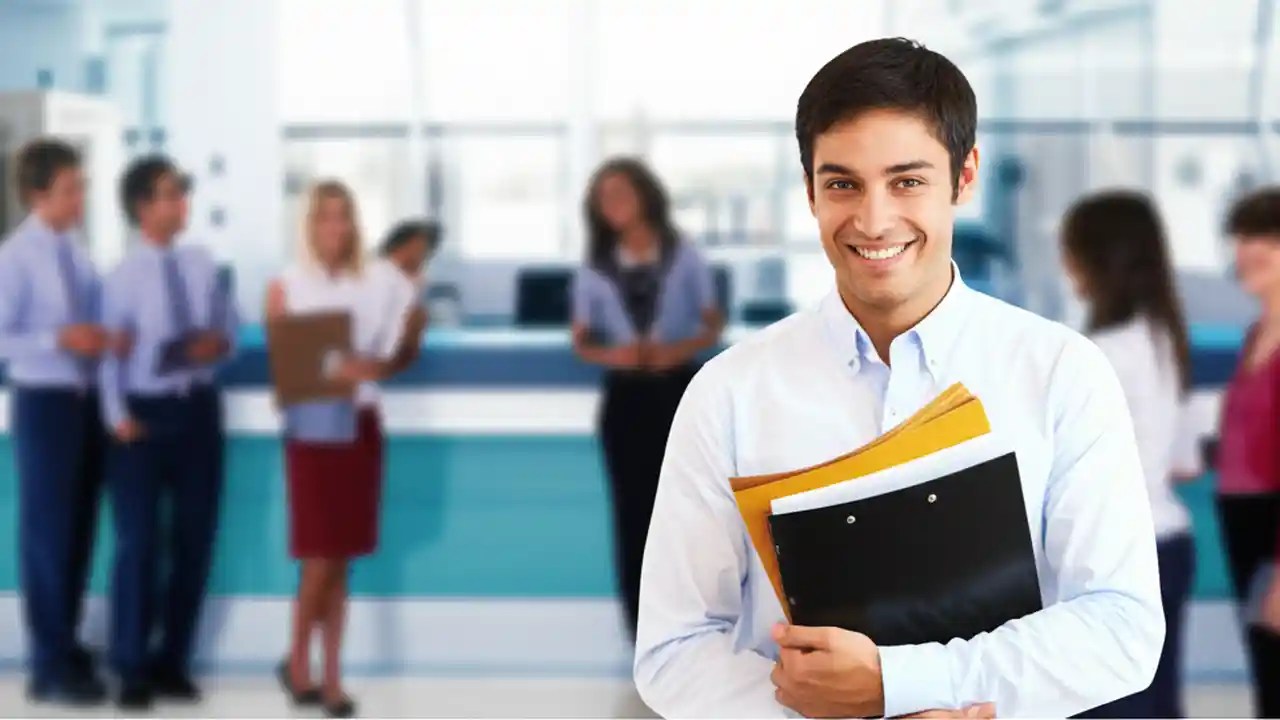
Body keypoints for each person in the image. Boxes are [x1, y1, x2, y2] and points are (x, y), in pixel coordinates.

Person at [633, 38, 1163, 719]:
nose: (873, 220)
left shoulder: (1061, 373)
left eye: (907, 181)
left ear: (964, 177)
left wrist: (899, 684)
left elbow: (1121, 626)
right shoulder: (729, 394)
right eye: (842, 184)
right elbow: (673, 649)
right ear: (809, 190)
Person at [268, 181, 419, 719]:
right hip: (312, 433)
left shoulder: (380, 279)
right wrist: (328, 370)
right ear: (309, 225)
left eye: (344, 215)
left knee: (342, 560)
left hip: (360, 427)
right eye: (325, 216)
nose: (336, 226)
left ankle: (329, 675)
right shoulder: (287, 285)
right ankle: (299, 664)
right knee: (318, 557)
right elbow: (286, 369)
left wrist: (378, 366)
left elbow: (407, 334)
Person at [98, 155, 240, 709]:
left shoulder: (202, 263)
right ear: (143, 207)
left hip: (199, 412)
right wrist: (117, 417)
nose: (183, 202)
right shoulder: (121, 277)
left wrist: (220, 344)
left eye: (183, 191)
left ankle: (172, 662)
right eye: (171, 193)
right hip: (141, 419)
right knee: (137, 544)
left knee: (194, 540)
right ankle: (131, 667)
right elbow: (108, 356)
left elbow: (231, 324)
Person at [570, 157, 724, 639]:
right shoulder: (595, 266)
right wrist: (616, 355)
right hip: (626, 398)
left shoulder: (683, 255)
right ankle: (642, 627)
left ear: (645, 195)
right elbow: (581, 341)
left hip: (677, 389)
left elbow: (712, 322)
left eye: (621, 193)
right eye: (604, 198)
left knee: (686, 509)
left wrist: (676, 350)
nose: (613, 204)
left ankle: (692, 623)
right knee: (632, 511)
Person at [1061, 191, 1198, 719]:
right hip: (1169, 540)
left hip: (1115, 555)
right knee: (1156, 704)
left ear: (1096, 259)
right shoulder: (1163, 338)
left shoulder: (1102, 352)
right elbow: (1184, 461)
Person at [0, 139, 121, 706]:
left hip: (84, 403)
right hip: (44, 403)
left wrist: (106, 335)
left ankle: (65, 643)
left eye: (82, 187)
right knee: (47, 536)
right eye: (70, 189)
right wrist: (59, 339)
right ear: (37, 193)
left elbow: (92, 316)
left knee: (78, 530)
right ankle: (47, 666)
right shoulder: (13, 256)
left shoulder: (77, 251)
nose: (81, 199)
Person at [1215, 187, 1280, 718]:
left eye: (1264, 238)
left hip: (1272, 524)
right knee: (1266, 670)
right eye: (1242, 238)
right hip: (1243, 519)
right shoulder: (1257, 333)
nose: (1246, 251)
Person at [378, 219, 439, 371]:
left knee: (419, 315)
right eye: (416, 247)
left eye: (424, 250)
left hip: (396, 342)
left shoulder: (418, 278)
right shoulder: (379, 271)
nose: (420, 253)